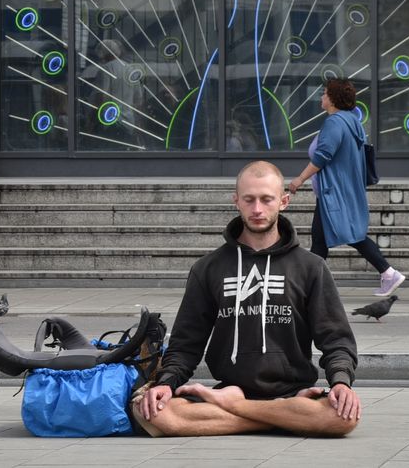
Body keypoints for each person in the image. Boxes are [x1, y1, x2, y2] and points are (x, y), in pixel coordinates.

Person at [133, 161, 360, 438]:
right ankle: (285, 416)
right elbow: (186, 343)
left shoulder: (311, 267)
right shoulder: (208, 268)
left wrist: (341, 383)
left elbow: (336, 340)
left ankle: (237, 408)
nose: (257, 209)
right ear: (236, 201)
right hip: (238, 387)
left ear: (284, 201)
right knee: (153, 414)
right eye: (249, 200)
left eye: (266, 200)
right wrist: (166, 383)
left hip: (289, 390)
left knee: (342, 418)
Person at [288, 78, 406, 297]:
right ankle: (315, 286)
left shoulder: (334, 123)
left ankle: (387, 272)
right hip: (341, 190)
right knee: (323, 239)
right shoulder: (352, 121)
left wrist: (299, 180)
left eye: (324, 93)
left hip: (333, 192)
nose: (321, 97)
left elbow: (323, 156)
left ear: (332, 98)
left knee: (350, 236)